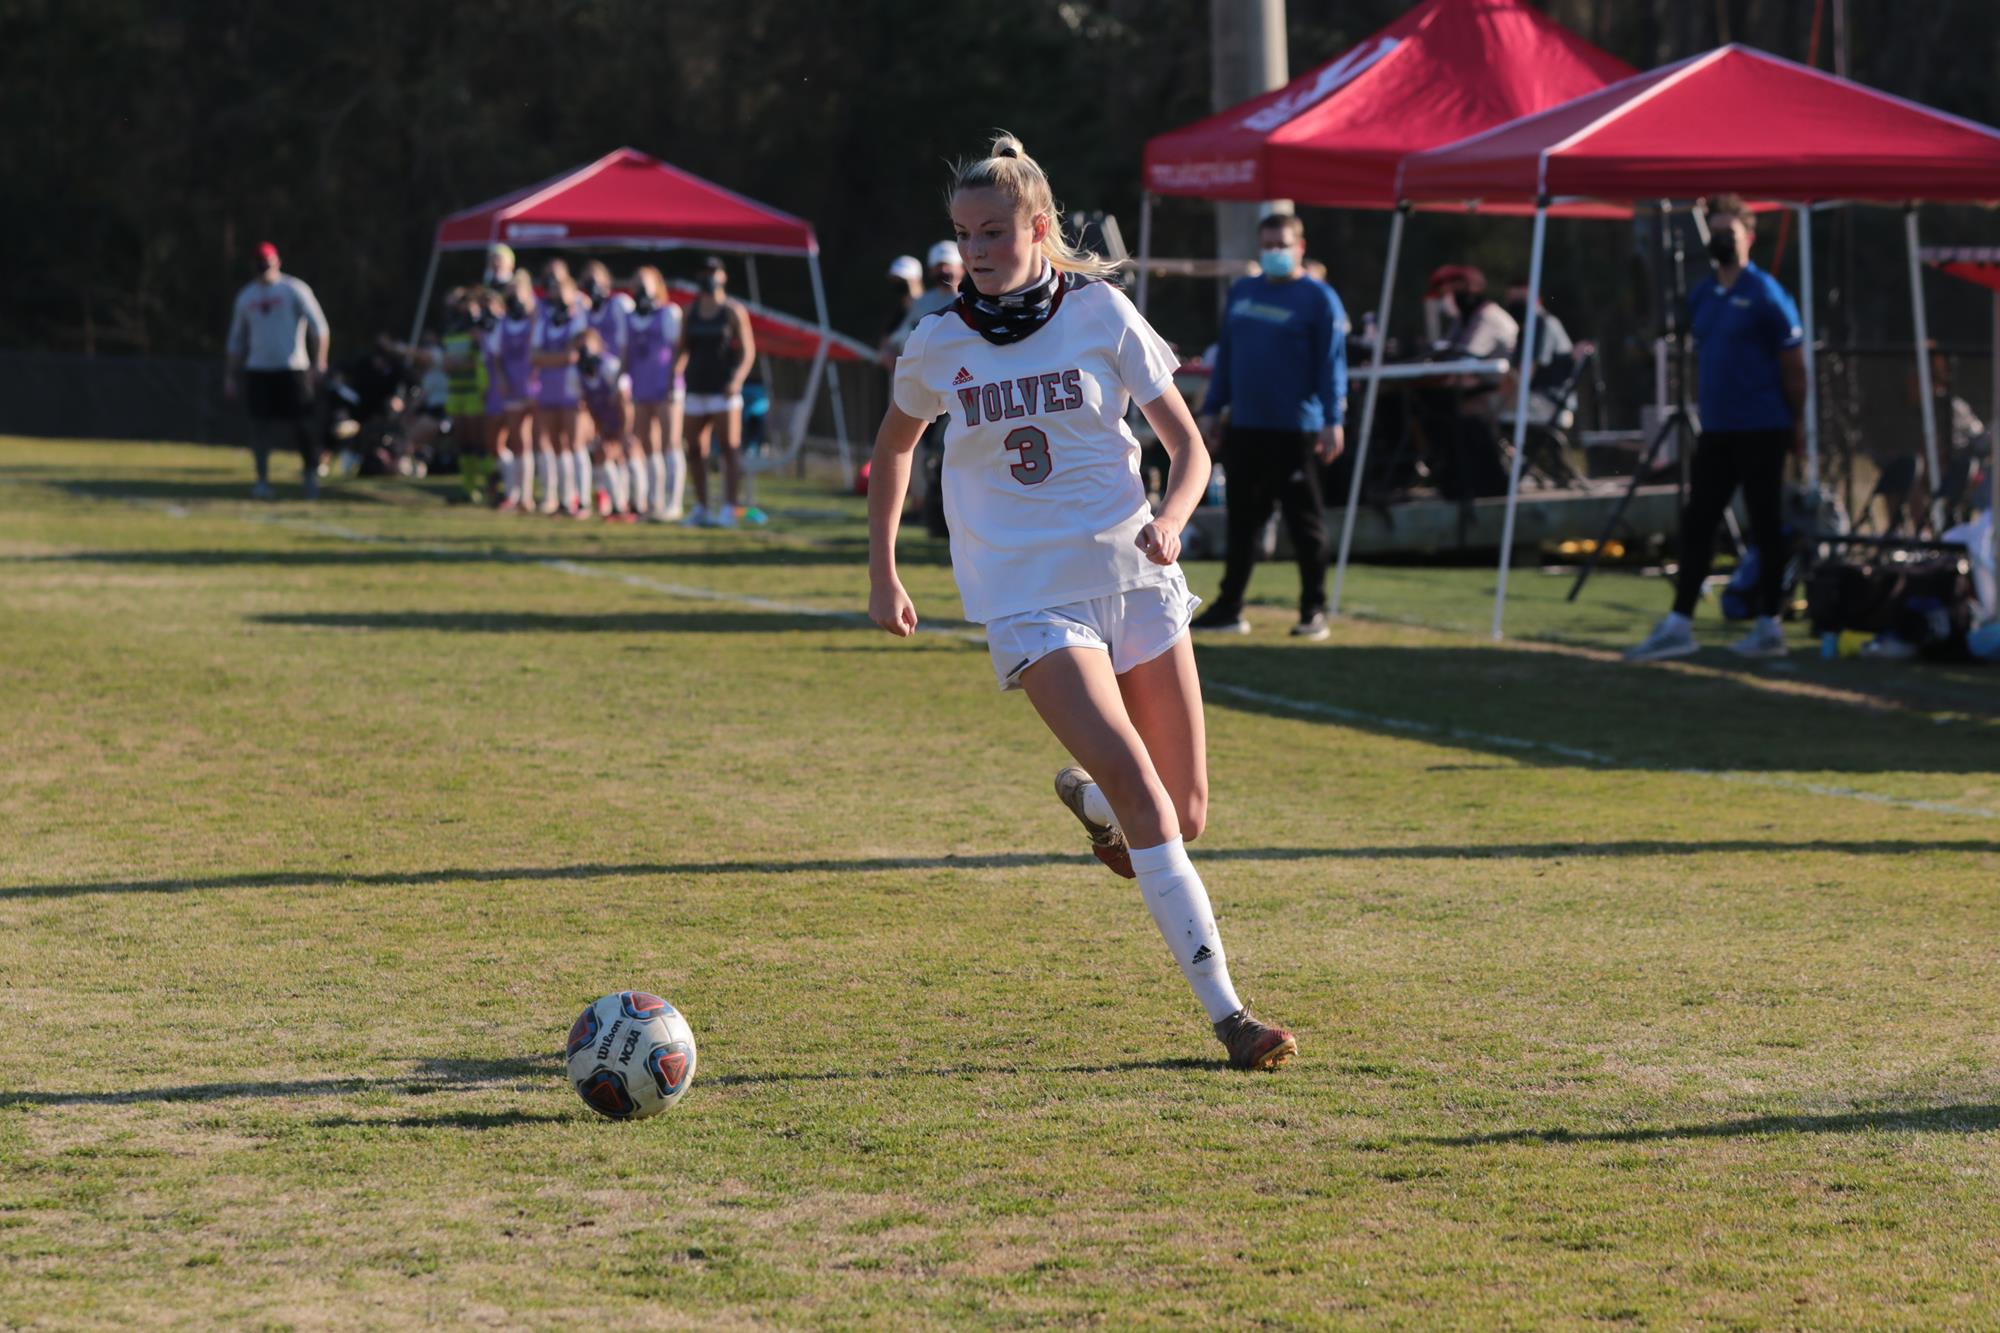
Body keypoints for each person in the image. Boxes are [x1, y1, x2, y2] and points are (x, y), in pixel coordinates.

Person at [866, 132, 1297, 1072]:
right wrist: (883, 570)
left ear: (1039, 227)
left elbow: (1189, 449)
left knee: (1183, 813)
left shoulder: (1101, 310)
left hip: (1135, 577)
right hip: (1029, 596)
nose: (974, 250)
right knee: (1147, 792)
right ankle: (1232, 1017)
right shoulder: (938, 339)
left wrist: (1172, 520)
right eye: (963, 234)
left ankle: (1096, 803)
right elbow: (895, 446)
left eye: (992, 231)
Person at [1627, 194, 1808, 662]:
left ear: (1749, 238)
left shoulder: (1766, 293)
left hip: (1763, 427)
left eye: (1730, 233)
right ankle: (1679, 623)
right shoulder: (1704, 294)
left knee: (1764, 523)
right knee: (1699, 521)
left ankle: (1769, 624)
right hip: (1718, 429)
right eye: (1717, 232)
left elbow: (1794, 367)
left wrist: (1798, 425)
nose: (1722, 241)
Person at [1190, 212, 1348, 640]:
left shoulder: (1319, 298)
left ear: (1300, 247)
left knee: (1305, 524)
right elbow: (1227, 357)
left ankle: (1312, 610)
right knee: (1242, 522)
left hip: (1296, 430)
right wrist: (1213, 409)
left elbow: (1331, 366)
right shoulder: (1243, 292)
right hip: (1246, 426)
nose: (1274, 252)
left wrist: (1333, 420)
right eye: (1268, 245)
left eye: (1282, 245)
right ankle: (1230, 608)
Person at [224, 241, 329, 499]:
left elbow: (319, 327)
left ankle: (310, 475)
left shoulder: (293, 289)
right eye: (260, 265)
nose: (264, 269)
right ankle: (262, 481)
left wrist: (320, 362)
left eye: (268, 264)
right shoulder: (246, 296)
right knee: (259, 427)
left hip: (292, 369)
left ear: (277, 262)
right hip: (259, 370)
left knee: (302, 425)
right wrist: (230, 375)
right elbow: (236, 340)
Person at [674, 257, 757, 527]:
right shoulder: (690, 311)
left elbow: (748, 351)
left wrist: (737, 379)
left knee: (730, 448)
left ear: (723, 276)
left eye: (713, 272)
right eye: (705, 272)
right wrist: (673, 377)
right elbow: (681, 350)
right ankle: (701, 507)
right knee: (695, 448)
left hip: (724, 392)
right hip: (696, 388)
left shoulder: (732, 311)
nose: (709, 277)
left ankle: (729, 507)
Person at [530, 259, 593, 518]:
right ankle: (562, 498)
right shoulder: (544, 319)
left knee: (575, 442)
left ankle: (583, 500)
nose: (557, 295)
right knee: (555, 443)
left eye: (562, 290)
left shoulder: (578, 317)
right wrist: (557, 358)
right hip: (548, 386)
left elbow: (574, 354)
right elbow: (535, 355)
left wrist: (551, 358)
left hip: (571, 386)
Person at [625, 265, 686, 521]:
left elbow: (680, 349)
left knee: (670, 442)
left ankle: (674, 502)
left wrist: (673, 378)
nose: (640, 288)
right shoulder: (630, 317)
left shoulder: (668, 313)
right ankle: (654, 501)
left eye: (645, 283)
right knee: (647, 445)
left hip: (666, 386)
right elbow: (626, 353)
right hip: (641, 387)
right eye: (636, 282)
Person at [877, 254, 924, 364]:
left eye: (901, 279)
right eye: (895, 280)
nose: (897, 283)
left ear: (915, 279)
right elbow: (884, 347)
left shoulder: (931, 309)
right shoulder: (897, 313)